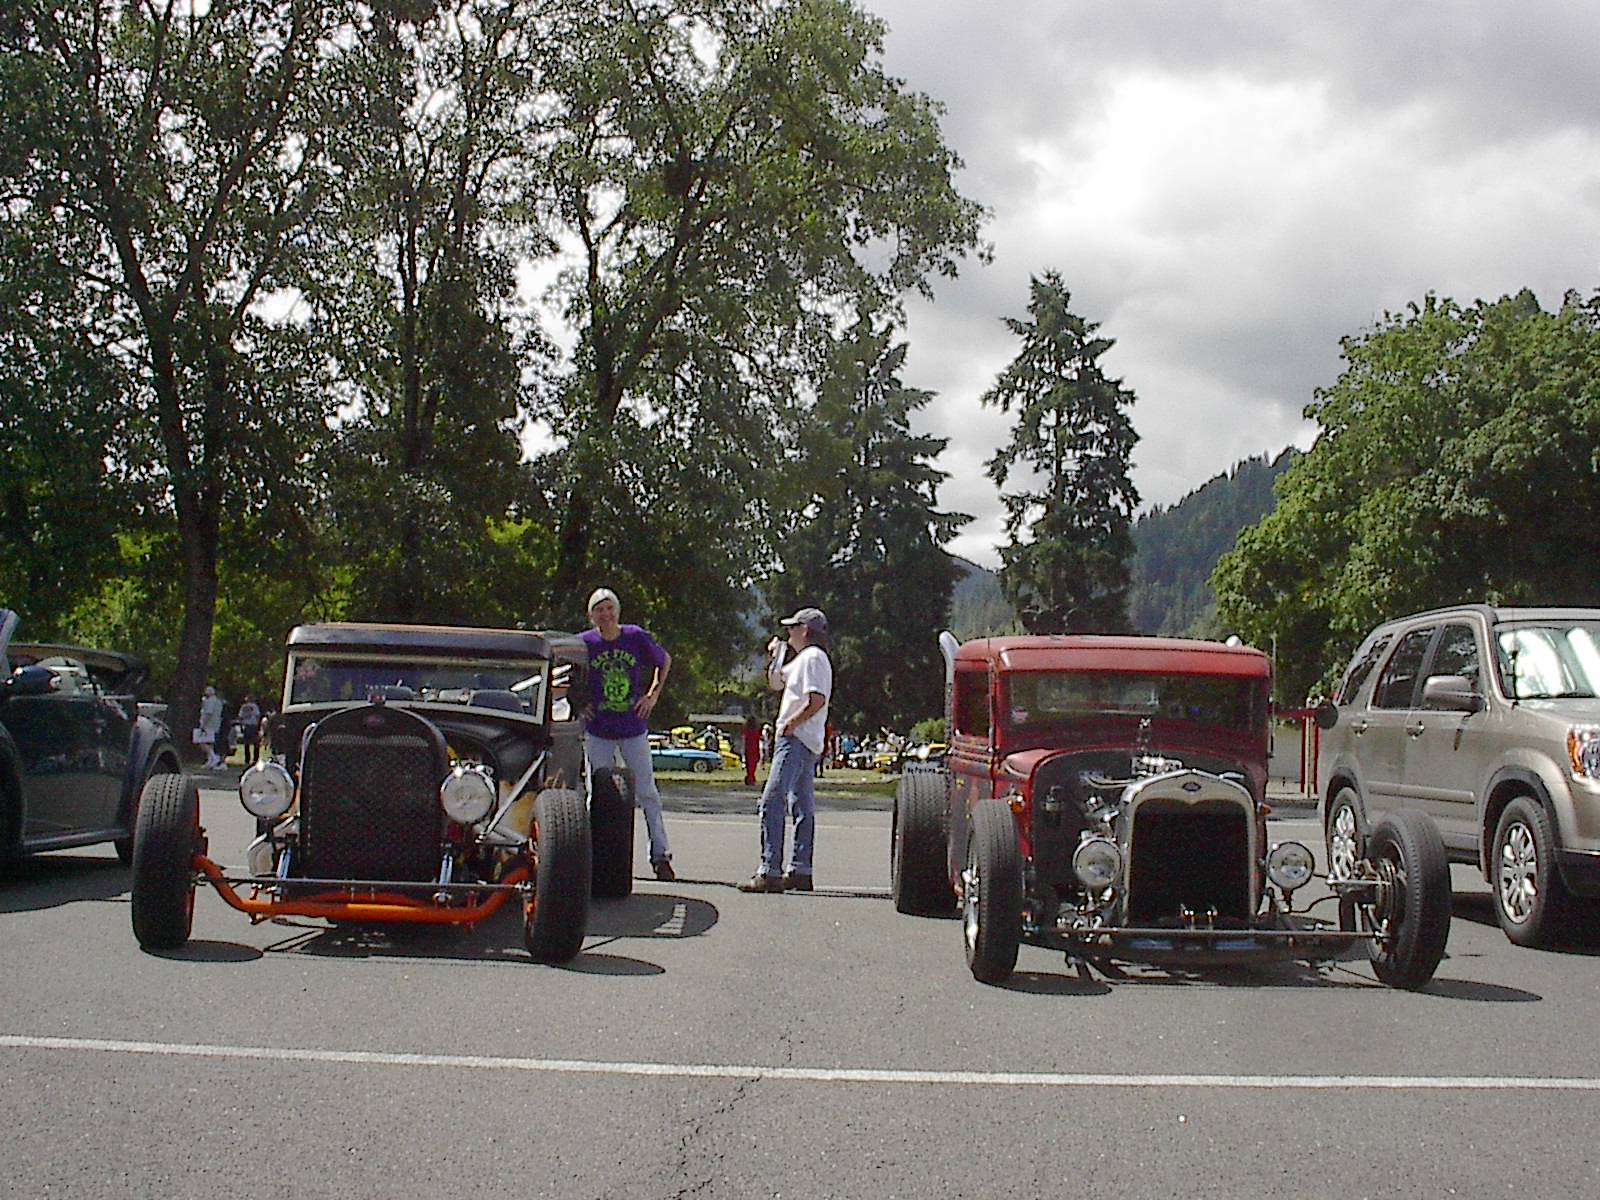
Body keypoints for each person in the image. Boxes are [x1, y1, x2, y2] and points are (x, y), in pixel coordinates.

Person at [579, 587, 675, 882]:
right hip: (598, 730)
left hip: (632, 727)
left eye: (610, 608)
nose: (605, 614)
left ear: (617, 612)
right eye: (599, 609)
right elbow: (566, 673)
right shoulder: (584, 643)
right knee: (597, 794)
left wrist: (652, 695)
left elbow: (663, 660)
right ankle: (591, 857)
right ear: (591, 616)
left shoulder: (634, 637)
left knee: (647, 792)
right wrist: (579, 703)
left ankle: (660, 855)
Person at [739, 607, 832, 893]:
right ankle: (801, 869)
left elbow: (817, 699)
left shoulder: (813, 657)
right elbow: (776, 681)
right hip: (804, 739)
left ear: (805, 630)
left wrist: (792, 723)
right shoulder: (804, 659)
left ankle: (770, 870)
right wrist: (777, 655)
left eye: (792, 627)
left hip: (796, 739)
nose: (788, 632)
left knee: (772, 799)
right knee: (801, 804)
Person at [198, 685, 224, 769]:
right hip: (216, 725)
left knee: (202, 742)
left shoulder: (210, 701)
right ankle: (210, 760)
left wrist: (203, 724)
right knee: (210, 743)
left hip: (209, 725)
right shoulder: (218, 701)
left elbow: (209, 713)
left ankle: (214, 757)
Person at [237, 694, 262, 767]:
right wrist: (258, 726)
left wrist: (241, 726)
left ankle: (247, 759)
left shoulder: (243, 707)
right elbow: (257, 716)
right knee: (255, 743)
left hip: (246, 725)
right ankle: (255, 758)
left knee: (246, 743)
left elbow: (240, 717)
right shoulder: (255, 706)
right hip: (253, 725)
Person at [742, 715, 761, 787]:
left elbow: (744, 740)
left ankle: (750, 778)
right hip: (754, 749)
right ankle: (751, 778)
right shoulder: (756, 731)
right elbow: (757, 741)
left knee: (749, 766)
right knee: (753, 766)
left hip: (748, 749)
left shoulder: (746, 731)